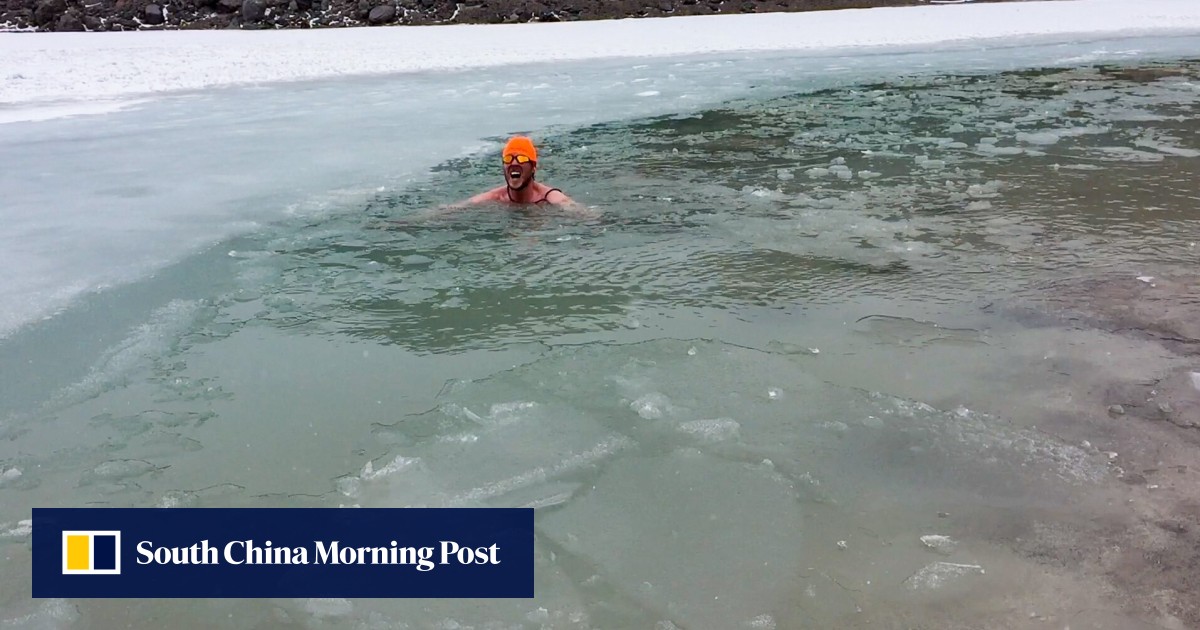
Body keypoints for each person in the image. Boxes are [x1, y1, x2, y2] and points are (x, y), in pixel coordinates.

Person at [459, 136, 578, 207]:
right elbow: (458, 208)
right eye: (508, 158)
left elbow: (578, 212)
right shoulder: (496, 197)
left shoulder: (550, 198)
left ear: (533, 167)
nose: (514, 163)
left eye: (522, 158)